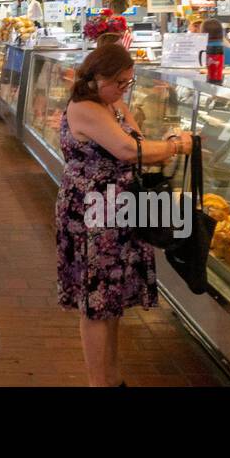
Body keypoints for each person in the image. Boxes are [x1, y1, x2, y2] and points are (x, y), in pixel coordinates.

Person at [56, 44, 198, 387]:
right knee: (96, 301)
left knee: (112, 301)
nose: (124, 90)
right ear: (96, 77)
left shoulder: (111, 103)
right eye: (119, 82)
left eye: (128, 83)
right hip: (93, 213)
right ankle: (97, 382)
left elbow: (138, 141)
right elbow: (127, 149)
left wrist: (158, 146)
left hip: (119, 210)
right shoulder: (85, 108)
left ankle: (113, 378)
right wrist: (176, 146)